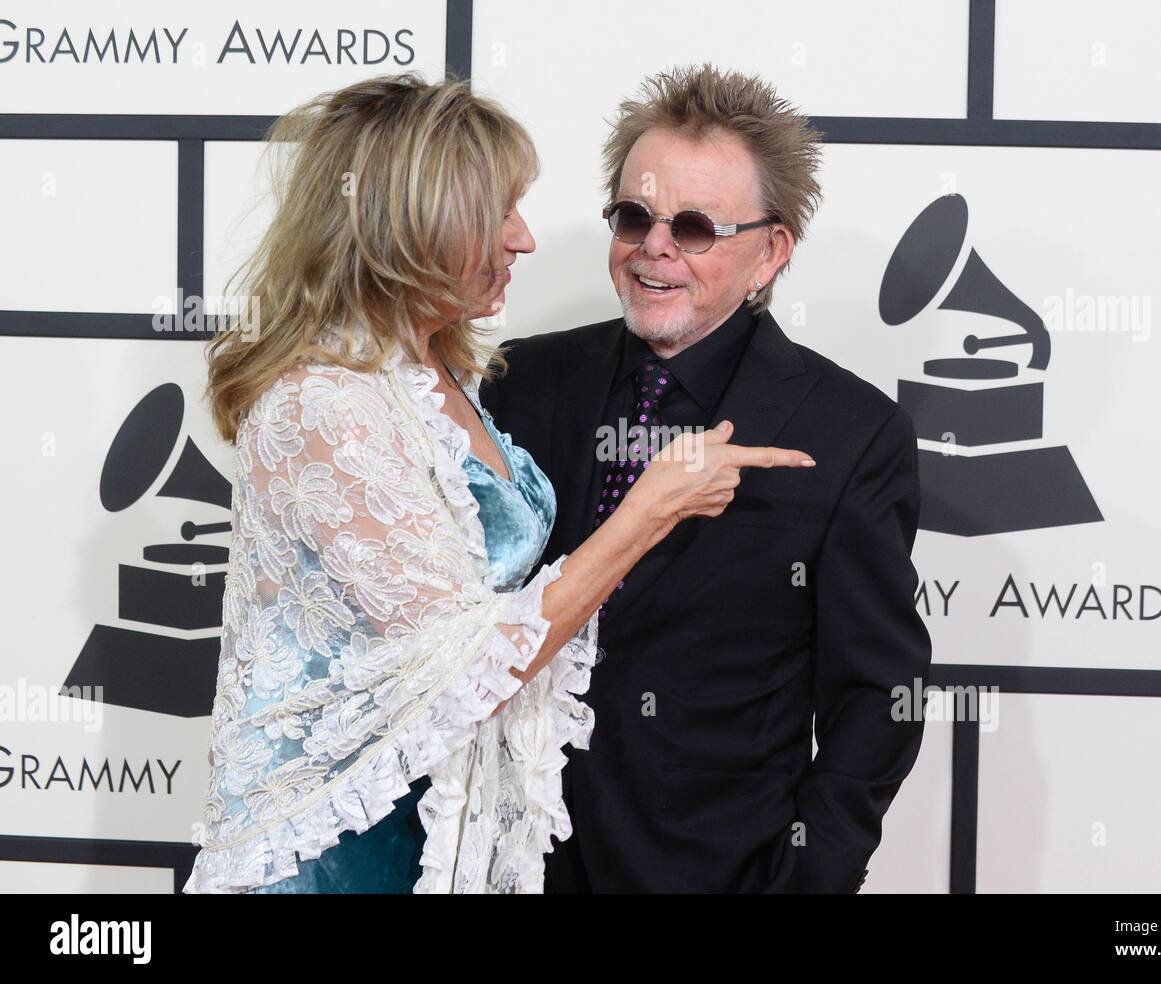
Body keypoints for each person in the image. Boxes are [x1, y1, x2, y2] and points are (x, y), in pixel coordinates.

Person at [182, 72, 815, 894]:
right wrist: (647, 512)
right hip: (337, 856)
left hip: (446, 837)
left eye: (694, 227)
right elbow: (466, 666)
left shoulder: (441, 370)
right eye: (497, 215)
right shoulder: (321, 401)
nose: (524, 239)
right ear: (412, 226)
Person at [479, 64, 933, 893]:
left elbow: (880, 697)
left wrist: (805, 874)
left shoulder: (850, 433)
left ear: (770, 253)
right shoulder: (519, 382)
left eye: (694, 227)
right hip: (509, 864)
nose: (655, 247)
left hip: (718, 871)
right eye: (633, 216)